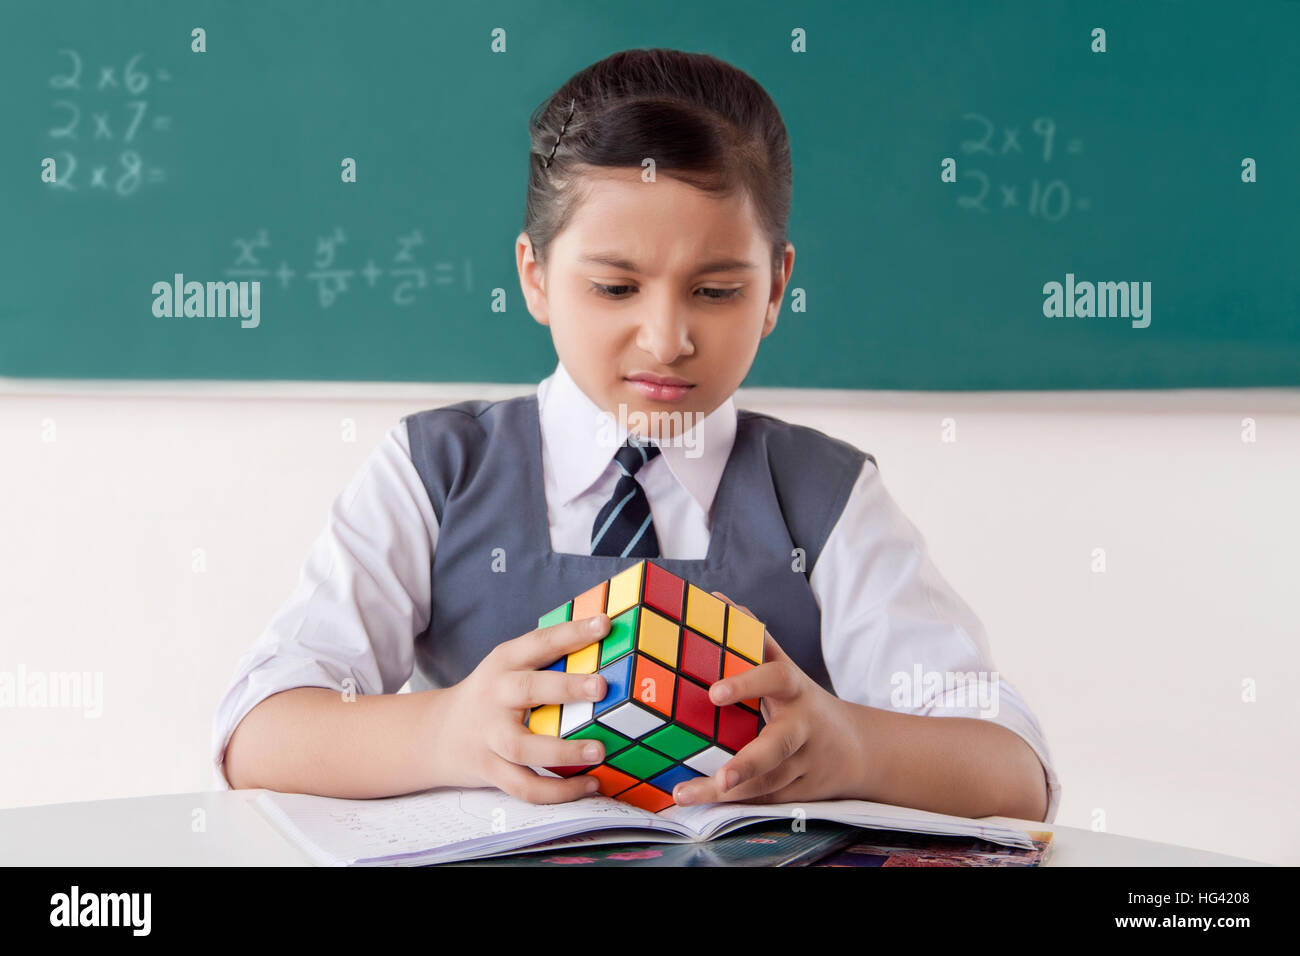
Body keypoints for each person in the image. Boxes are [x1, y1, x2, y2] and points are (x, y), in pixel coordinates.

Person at [213, 48, 1059, 822]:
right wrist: (442, 731)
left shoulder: (826, 497)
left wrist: (856, 745)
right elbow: (258, 733)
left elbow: (1012, 771)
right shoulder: (434, 471)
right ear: (535, 276)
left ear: (775, 290)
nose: (666, 339)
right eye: (616, 288)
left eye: (717, 291)